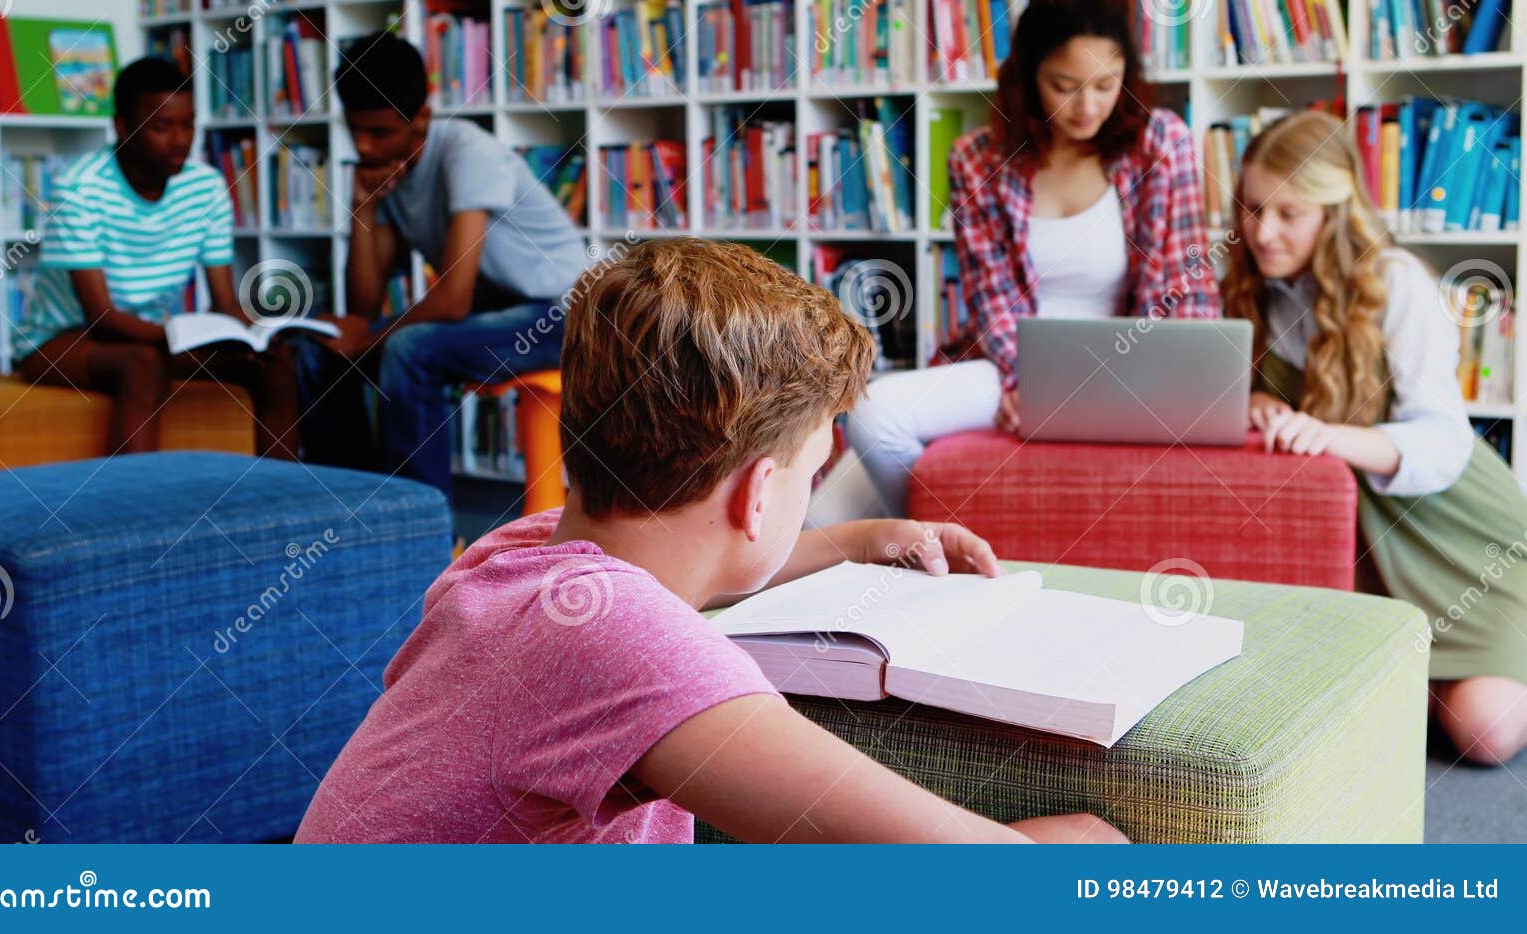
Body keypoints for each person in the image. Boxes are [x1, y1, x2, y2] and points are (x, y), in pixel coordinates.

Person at [294, 239, 1129, 843]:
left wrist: (865, 540)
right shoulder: (626, 646)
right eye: (811, 473)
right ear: (760, 493)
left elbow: (704, 567)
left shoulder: (523, 555)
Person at [1226, 110, 1527, 766]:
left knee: (1485, 733)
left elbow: (1444, 440)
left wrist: (1328, 434)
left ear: (1334, 212)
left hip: (1457, 530)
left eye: (1288, 214)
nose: (1261, 232)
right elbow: (1264, 403)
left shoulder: (1396, 281)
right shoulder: (1263, 290)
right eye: (1252, 208)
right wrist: (1255, 403)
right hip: (1365, 533)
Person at [843, 0, 1218, 517]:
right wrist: (1031, 383)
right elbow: (989, 292)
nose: (1088, 107)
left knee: (842, 502)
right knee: (871, 412)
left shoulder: (1160, 141)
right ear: (1027, 77)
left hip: (1133, 370)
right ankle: (932, 537)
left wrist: (1177, 378)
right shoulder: (977, 158)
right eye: (1065, 86)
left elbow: (1185, 281)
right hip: (1014, 365)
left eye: (1106, 85)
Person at [294, 32, 587, 493]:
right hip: (491, 314)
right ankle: (355, 502)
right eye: (356, 131)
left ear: (422, 118)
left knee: (411, 349)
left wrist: (365, 336)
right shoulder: (388, 168)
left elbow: (451, 301)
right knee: (316, 350)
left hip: (564, 313)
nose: (366, 148)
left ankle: (422, 525)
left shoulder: (467, 154)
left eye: (381, 132)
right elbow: (363, 305)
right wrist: (363, 207)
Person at [15, 56, 298, 459]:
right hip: (60, 340)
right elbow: (102, 318)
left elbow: (224, 302)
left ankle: (283, 498)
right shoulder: (78, 188)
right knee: (144, 364)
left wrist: (254, 336)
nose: (180, 140)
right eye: (162, 127)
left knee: (276, 361)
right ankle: (134, 513)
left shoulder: (205, 186)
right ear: (123, 127)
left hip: (158, 335)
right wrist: (179, 339)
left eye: (188, 124)